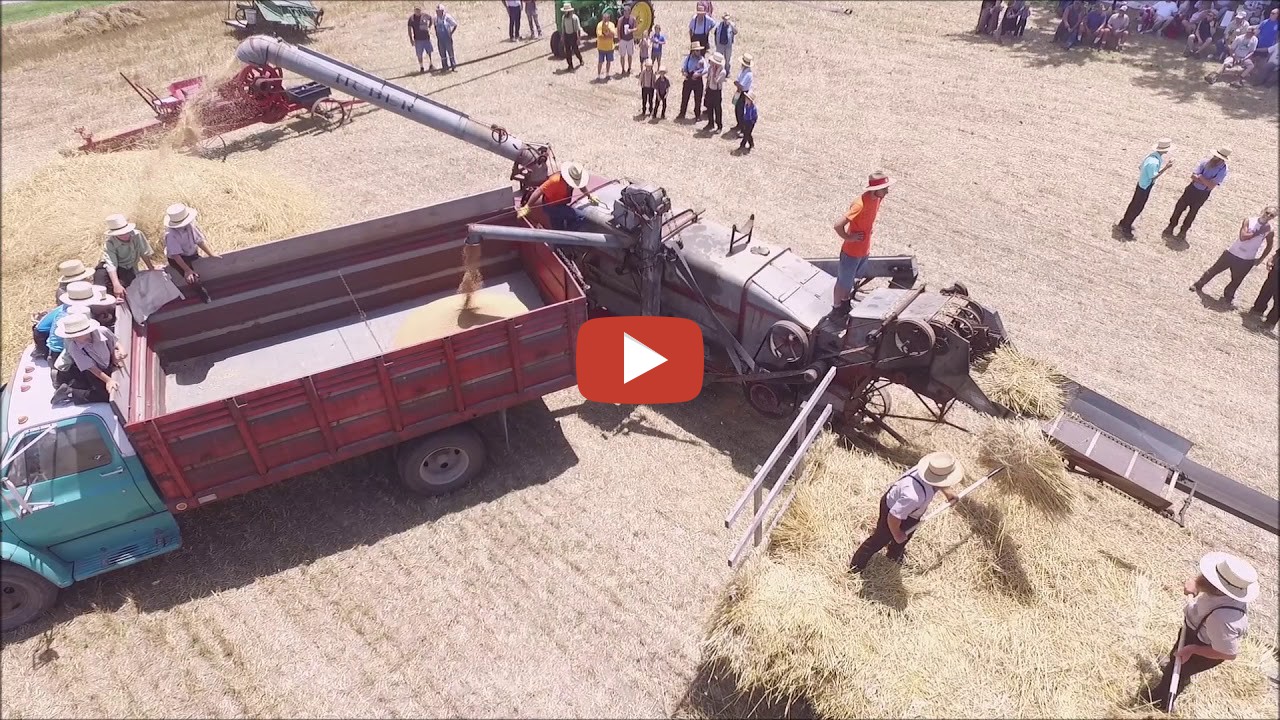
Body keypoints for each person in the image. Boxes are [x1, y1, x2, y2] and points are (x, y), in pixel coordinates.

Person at [1141, 552, 1257, 712]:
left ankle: (1161, 702)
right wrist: (1196, 584)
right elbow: (1204, 582)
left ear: (1218, 587)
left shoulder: (1223, 619)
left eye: (1209, 579)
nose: (1205, 577)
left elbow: (1228, 654)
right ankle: (1173, 667)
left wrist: (1193, 649)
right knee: (1176, 658)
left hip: (1204, 649)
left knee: (1177, 672)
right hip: (1195, 631)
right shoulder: (1229, 590)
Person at [847, 452, 963, 573]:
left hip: (909, 511)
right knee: (880, 539)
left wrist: (947, 491)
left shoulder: (926, 471)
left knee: (906, 534)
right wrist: (897, 533)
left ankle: (894, 554)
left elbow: (937, 479)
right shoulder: (914, 496)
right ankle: (856, 565)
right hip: (893, 511)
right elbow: (893, 516)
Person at [831, 172, 895, 315]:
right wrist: (849, 238)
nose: (887, 191)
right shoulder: (859, 204)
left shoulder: (877, 199)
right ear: (875, 189)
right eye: (884, 189)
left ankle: (845, 303)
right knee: (843, 283)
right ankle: (836, 308)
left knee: (852, 280)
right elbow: (837, 225)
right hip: (851, 252)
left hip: (864, 250)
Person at [1191, 207, 1276, 304]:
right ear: (1263, 211)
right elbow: (1243, 237)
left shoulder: (1270, 230)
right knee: (1214, 270)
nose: (1268, 216)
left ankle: (1228, 296)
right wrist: (1259, 232)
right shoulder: (1249, 221)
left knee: (1237, 280)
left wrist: (1261, 258)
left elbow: (1269, 245)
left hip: (1247, 258)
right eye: (1267, 213)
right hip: (1232, 253)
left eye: (1271, 215)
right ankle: (1198, 285)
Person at [50, 312, 125, 407]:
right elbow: (92, 368)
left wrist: (116, 354)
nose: (73, 338)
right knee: (106, 396)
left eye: (77, 335)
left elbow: (114, 343)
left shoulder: (103, 331)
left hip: (107, 363)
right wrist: (108, 380)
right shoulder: (74, 348)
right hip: (94, 371)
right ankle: (70, 392)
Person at [1165, 147, 1230, 241]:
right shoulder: (1205, 162)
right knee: (1179, 208)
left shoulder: (1223, 170)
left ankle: (1183, 231)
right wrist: (1205, 181)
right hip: (1192, 189)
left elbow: (1211, 185)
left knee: (1192, 212)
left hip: (1202, 194)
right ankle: (1171, 226)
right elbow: (1193, 176)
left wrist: (1201, 177)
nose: (1214, 157)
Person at [1117, 138, 1175, 238]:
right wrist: (1166, 168)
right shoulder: (1154, 162)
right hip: (1145, 186)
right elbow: (1153, 176)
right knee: (1138, 207)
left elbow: (1140, 167)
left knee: (1133, 204)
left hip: (1141, 183)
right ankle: (1126, 226)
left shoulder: (1150, 156)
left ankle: (1124, 221)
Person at [31, 282, 102, 362]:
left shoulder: (65, 308)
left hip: (51, 344)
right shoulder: (72, 316)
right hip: (60, 353)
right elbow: (81, 340)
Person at [517, 162, 598, 231]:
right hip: (552, 207)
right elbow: (539, 191)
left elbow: (581, 186)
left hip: (561, 204)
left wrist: (589, 196)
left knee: (558, 227)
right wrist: (527, 206)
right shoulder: (555, 181)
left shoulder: (571, 180)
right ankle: (569, 235)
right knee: (580, 217)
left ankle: (562, 237)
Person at [163, 203, 219, 303]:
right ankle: (202, 294)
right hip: (178, 259)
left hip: (191, 252)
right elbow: (176, 255)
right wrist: (187, 270)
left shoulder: (190, 226)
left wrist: (211, 254)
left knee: (199, 267)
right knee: (192, 279)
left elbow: (199, 241)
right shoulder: (170, 235)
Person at [94, 214, 155, 300]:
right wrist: (116, 284)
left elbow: (144, 252)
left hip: (128, 269)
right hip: (111, 269)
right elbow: (111, 265)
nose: (125, 235)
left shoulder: (137, 235)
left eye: (126, 232)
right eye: (120, 234)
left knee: (131, 290)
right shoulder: (110, 243)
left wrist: (151, 268)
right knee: (102, 287)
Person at [1246, 252, 1279, 329]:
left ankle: (1270, 322)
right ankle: (1257, 310)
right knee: (1266, 291)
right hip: (1276, 271)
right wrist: (1271, 260)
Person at [677, 42, 707, 120]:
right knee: (685, 97)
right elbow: (683, 67)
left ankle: (697, 115)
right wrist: (684, 73)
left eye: (699, 50)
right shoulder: (688, 58)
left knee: (698, 99)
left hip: (698, 80)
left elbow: (706, 69)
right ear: (693, 51)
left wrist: (699, 74)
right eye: (697, 50)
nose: (699, 52)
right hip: (688, 79)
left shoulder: (702, 59)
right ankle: (682, 113)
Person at [702, 51, 727, 133]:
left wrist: (714, 74)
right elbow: (708, 79)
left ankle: (719, 126)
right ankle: (710, 123)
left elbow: (717, 81)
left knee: (717, 109)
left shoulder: (722, 72)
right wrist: (706, 88)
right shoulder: (711, 68)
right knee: (709, 107)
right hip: (710, 90)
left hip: (717, 92)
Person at [731, 53, 753, 134]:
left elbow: (741, 85)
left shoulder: (748, 74)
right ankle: (739, 124)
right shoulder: (742, 71)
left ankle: (743, 129)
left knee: (742, 111)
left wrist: (736, 83)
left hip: (744, 93)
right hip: (740, 91)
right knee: (737, 109)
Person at [408, 6, 434, 73]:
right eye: (416, 10)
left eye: (419, 10)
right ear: (414, 10)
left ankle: (431, 64)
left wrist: (429, 26)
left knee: (429, 52)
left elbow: (431, 19)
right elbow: (409, 29)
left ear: (420, 10)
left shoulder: (425, 16)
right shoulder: (411, 18)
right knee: (419, 54)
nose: (417, 11)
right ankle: (421, 67)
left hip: (426, 38)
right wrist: (411, 39)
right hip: (418, 40)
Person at [560, 3, 584, 70]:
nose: (565, 12)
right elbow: (563, 27)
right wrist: (562, 36)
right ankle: (570, 65)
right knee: (568, 52)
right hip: (567, 36)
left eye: (566, 11)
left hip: (573, 35)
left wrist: (578, 38)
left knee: (576, 50)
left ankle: (580, 59)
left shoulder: (575, 18)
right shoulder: (564, 18)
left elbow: (578, 29)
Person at [436, 5, 459, 72]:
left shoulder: (447, 17)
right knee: (442, 53)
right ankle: (445, 67)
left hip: (447, 37)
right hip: (440, 38)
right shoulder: (436, 18)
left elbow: (455, 24)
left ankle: (453, 66)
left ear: (442, 11)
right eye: (437, 11)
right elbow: (435, 26)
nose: (438, 12)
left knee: (450, 52)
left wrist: (451, 33)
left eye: (439, 11)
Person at [596, 11, 617, 79]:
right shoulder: (599, 25)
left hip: (610, 47)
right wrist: (608, 36)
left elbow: (613, 34)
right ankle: (598, 75)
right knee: (600, 62)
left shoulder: (612, 25)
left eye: (607, 18)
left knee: (608, 61)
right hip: (601, 47)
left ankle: (607, 74)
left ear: (609, 18)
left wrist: (608, 30)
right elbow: (600, 36)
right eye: (604, 18)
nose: (605, 19)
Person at [617, 7, 637, 75]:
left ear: (629, 12)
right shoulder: (620, 20)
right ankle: (623, 69)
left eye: (626, 11)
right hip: (623, 40)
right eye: (624, 11)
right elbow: (618, 29)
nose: (625, 13)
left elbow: (636, 28)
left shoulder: (633, 19)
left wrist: (631, 30)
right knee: (622, 55)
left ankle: (629, 68)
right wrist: (619, 39)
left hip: (630, 39)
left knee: (630, 55)